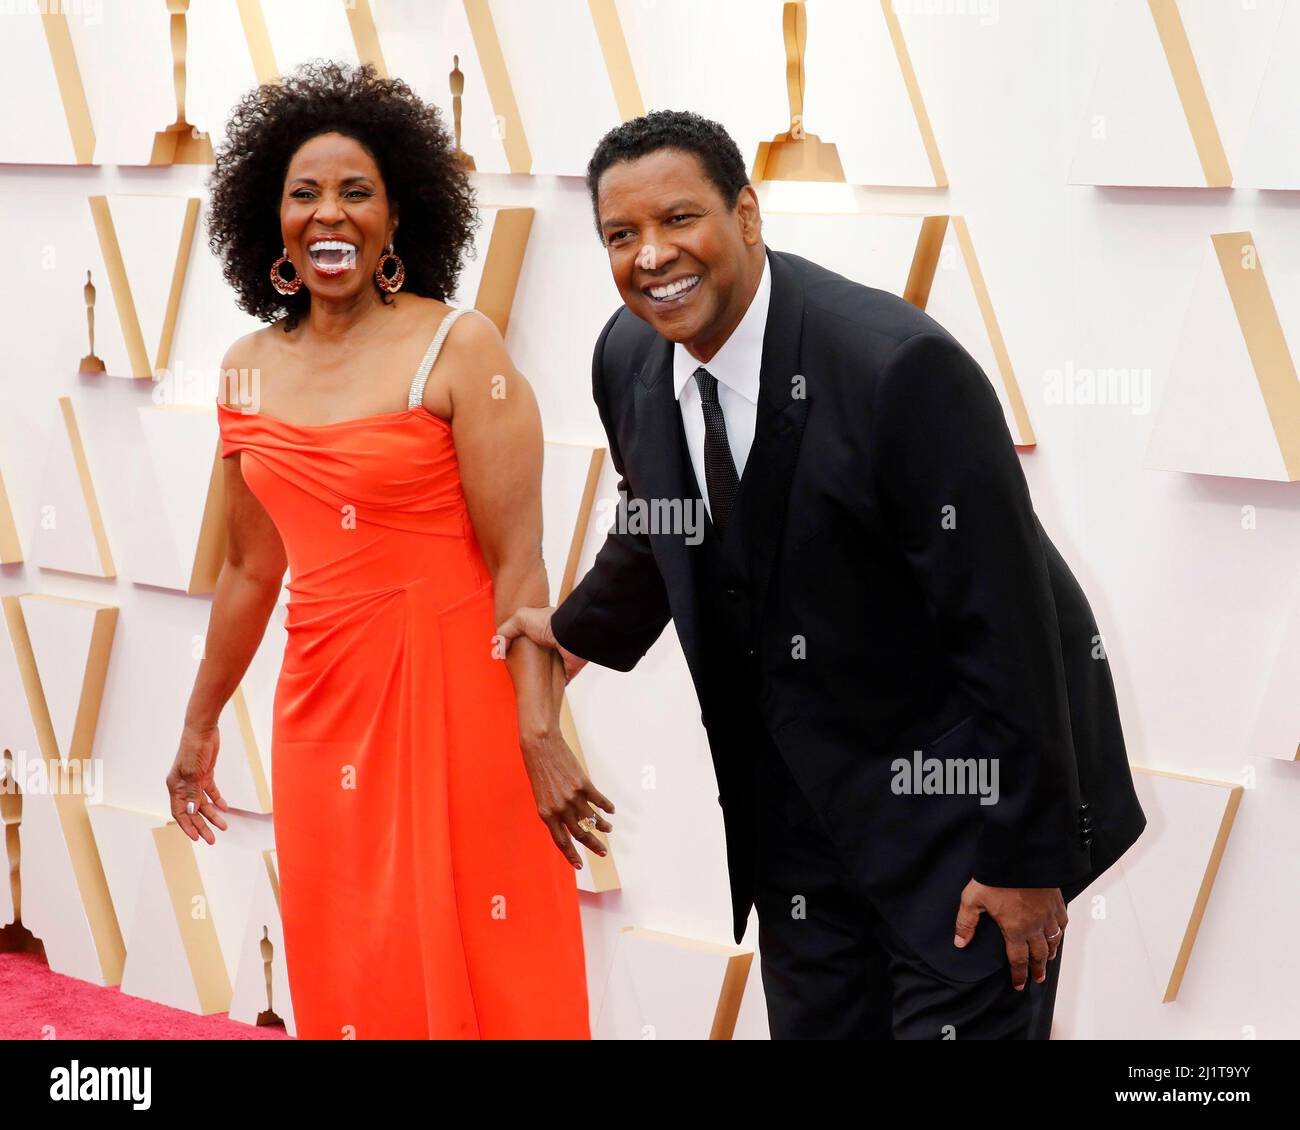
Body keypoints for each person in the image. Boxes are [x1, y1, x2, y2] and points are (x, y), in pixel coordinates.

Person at [497, 110, 1147, 1040]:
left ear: (747, 216)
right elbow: (662, 518)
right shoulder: (629, 354)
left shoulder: (899, 369)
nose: (651, 256)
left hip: (958, 827)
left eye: (679, 219)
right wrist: (572, 632)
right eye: (620, 234)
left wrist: (1021, 859)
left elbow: (1009, 628)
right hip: (797, 832)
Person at [166, 61, 605, 1040]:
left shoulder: (461, 348)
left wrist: (538, 727)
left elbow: (522, 569)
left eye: (356, 191)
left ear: (398, 215)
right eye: (304, 193)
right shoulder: (242, 370)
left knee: (490, 958)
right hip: (320, 714)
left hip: (461, 706)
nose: (330, 214)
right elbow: (249, 568)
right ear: (269, 218)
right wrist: (198, 725)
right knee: (354, 960)